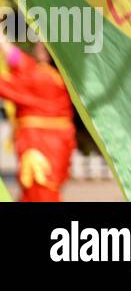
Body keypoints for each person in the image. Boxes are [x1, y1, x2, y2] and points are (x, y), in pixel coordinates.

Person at [0, 38, 77, 201]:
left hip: (41, 143)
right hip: (50, 142)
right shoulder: (52, 77)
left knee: (40, 192)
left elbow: (7, 85)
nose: (39, 43)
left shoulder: (42, 78)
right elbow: (16, 59)